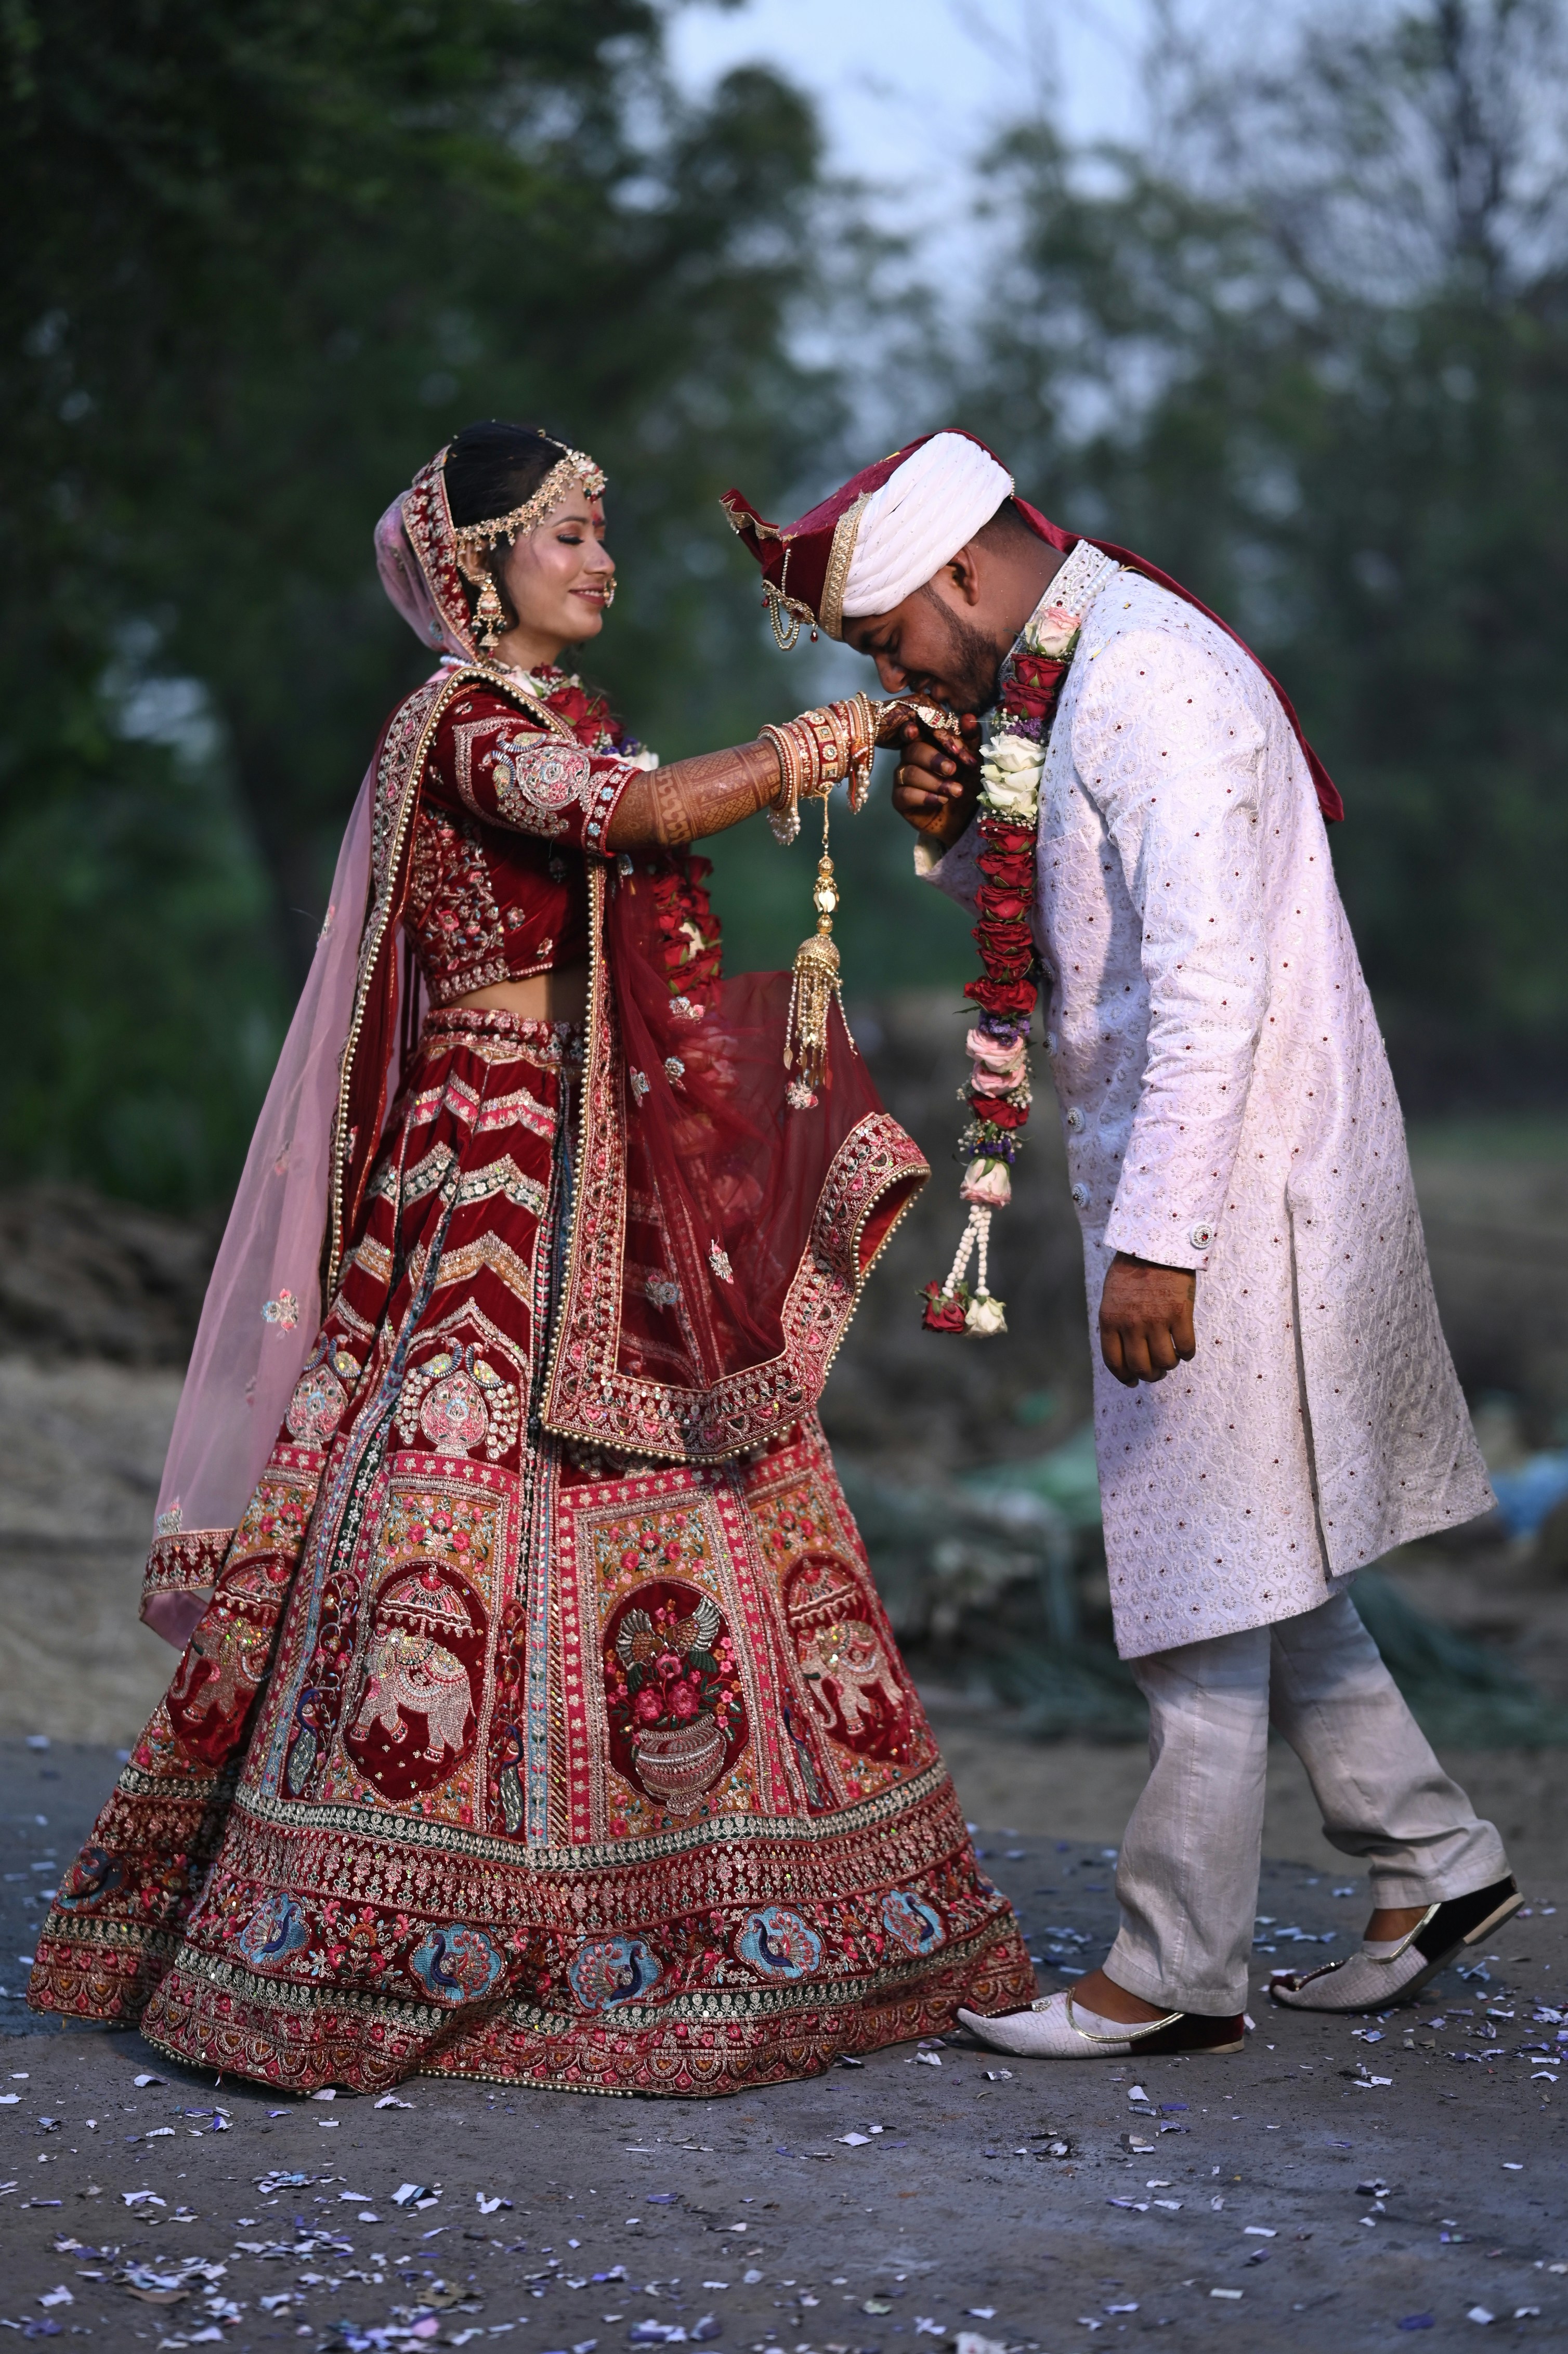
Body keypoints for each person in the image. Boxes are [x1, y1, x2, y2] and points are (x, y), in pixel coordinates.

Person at [29, 423, 1033, 2094]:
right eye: (565, 533)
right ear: (476, 572)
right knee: (440, 1501)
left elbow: (643, 812)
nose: (601, 558)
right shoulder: (460, 725)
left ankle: (712, 1892)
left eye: (602, 530)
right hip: (487, 1164)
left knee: (700, 1496)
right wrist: (833, 731)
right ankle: (358, 1923)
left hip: (606, 1149)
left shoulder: (567, 716)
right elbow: (636, 818)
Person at [723, 429, 1520, 2059]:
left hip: (1227, 1185)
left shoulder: (1143, 680)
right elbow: (1082, 913)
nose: (895, 675)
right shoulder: (1067, 671)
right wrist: (951, 838)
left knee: (1194, 1576)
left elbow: (1210, 990)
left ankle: (1171, 1974)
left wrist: (1160, 1241)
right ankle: (1433, 1860)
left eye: (888, 640)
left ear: (957, 571)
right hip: (1204, 1168)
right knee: (1250, 1550)